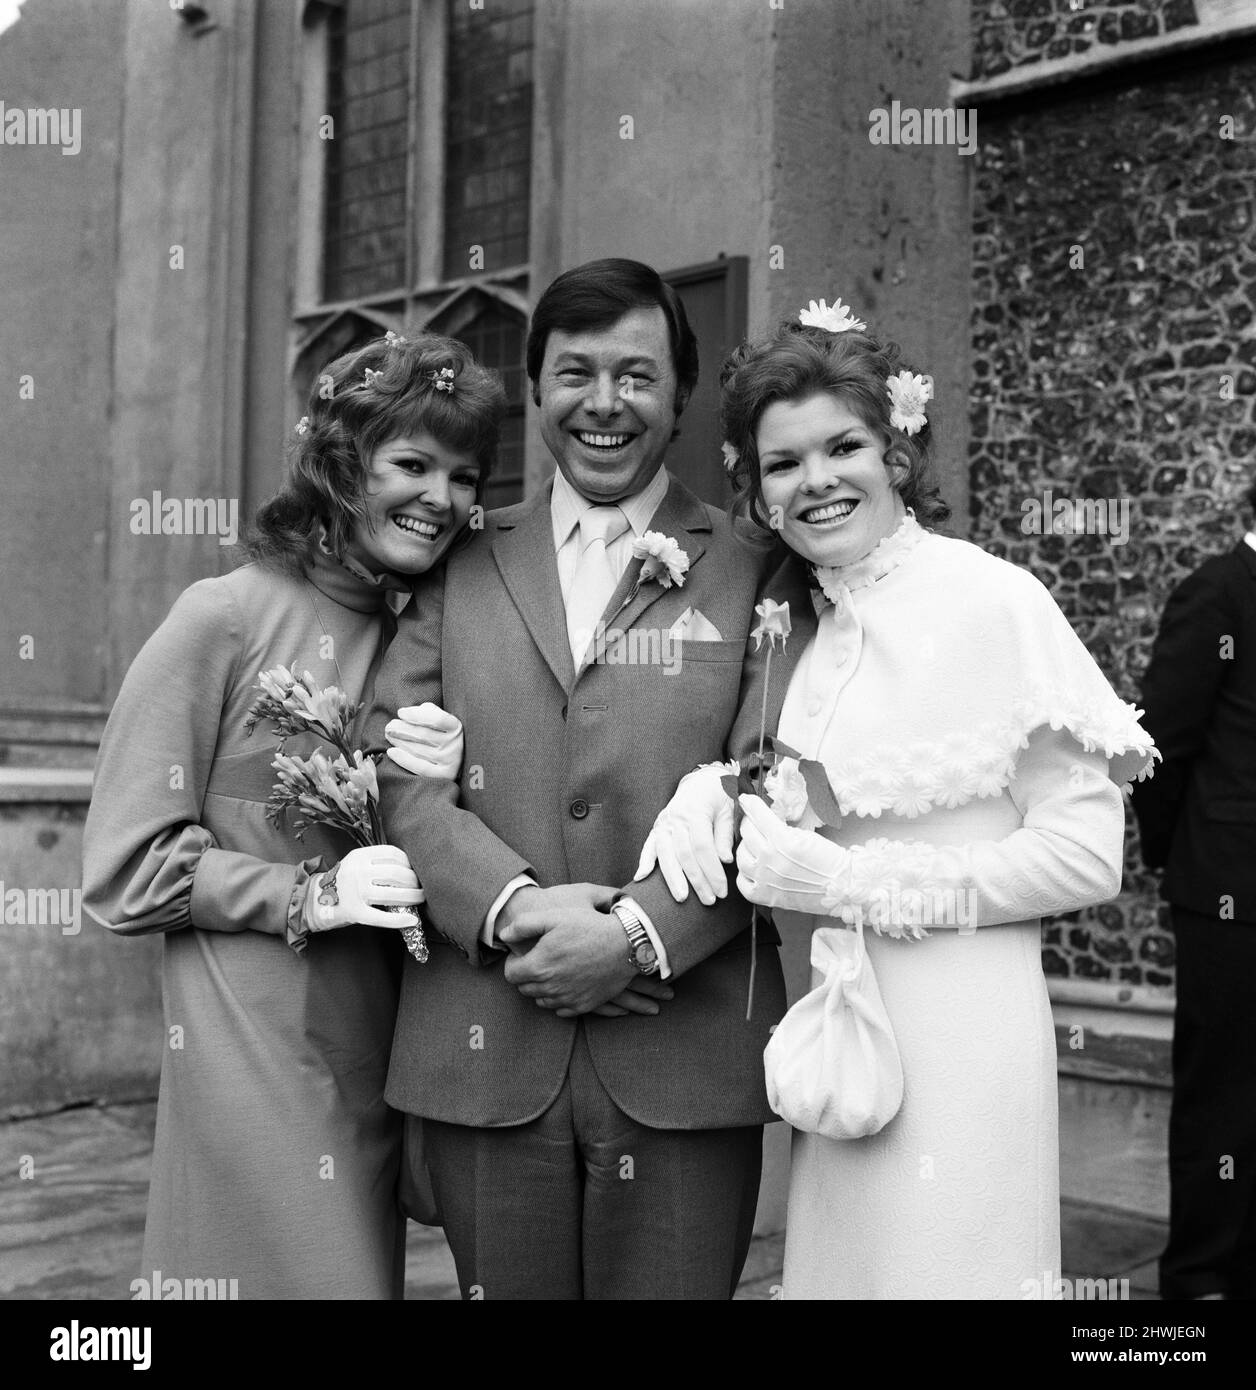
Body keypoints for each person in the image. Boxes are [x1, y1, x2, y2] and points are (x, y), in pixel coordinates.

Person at [637, 304, 1158, 1298]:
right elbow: (824, 786)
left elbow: (1083, 858)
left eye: (843, 446)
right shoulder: (800, 621)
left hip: (964, 1031)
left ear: (896, 452)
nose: (817, 480)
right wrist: (711, 792)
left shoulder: (991, 599)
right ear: (755, 486)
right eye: (783, 462)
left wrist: (850, 880)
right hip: (842, 1034)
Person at [363, 258, 786, 1300]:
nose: (605, 404)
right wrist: (508, 910)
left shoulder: (755, 562)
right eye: (575, 373)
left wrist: (636, 933)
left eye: (635, 375)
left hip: (682, 1053)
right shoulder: (457, 557)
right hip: (483, 1038)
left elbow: (774, 773)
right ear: (537, 387)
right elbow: (393, 762)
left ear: (678, 391)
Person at [82, 331, 505, 1299]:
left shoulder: (434, 638)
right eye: (410, 463)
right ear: (340, 464)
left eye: (463, 474)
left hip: (379, 1052)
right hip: (247, 1042)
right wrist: (308, 893)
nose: (438, 498)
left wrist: (453, 782)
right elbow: (120, 867)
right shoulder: (220, 617)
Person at [1130, 486, 1256, 1301]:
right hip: (1232, 898)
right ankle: (1202, 1280)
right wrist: (1188, 863)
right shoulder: (1216, 592)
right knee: (1226, 1092)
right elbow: (1159, 749)